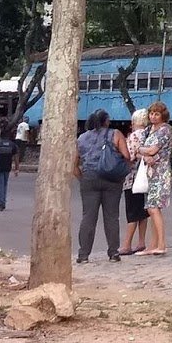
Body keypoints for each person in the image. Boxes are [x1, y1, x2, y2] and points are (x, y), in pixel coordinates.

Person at [73, 109, 129, 264]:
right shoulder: (115, 134)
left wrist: (83, 179)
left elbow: (74, 164)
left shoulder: (81, 138)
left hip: (89, 178)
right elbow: (126, 155)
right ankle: (113, 253)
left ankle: (83, 254)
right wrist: (122, 172)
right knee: (111, 217)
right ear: (106, 120)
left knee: (88, 217)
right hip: (112, 180)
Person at [134, 102, 172, 256]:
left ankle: (161, 244)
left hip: (160, 172)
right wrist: (145, 153)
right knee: (151, 209)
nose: (153, 116)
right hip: (148, 172)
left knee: (153, 207)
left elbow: (152, 149)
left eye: (156, 114)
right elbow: (138, 148)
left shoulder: (165, 130)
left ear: (163, 115)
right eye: (151, 113)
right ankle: (153, 245)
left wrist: (145, 151)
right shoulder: (148, 130)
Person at [118, 109, 151, 255]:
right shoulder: (149, 134)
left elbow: (128, 155)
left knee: (131, 212)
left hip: (132, 178)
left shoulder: (134, 136)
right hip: (146, 178)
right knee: (143, 212)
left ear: (133, 122)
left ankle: (126, 244)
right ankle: (141, 242)